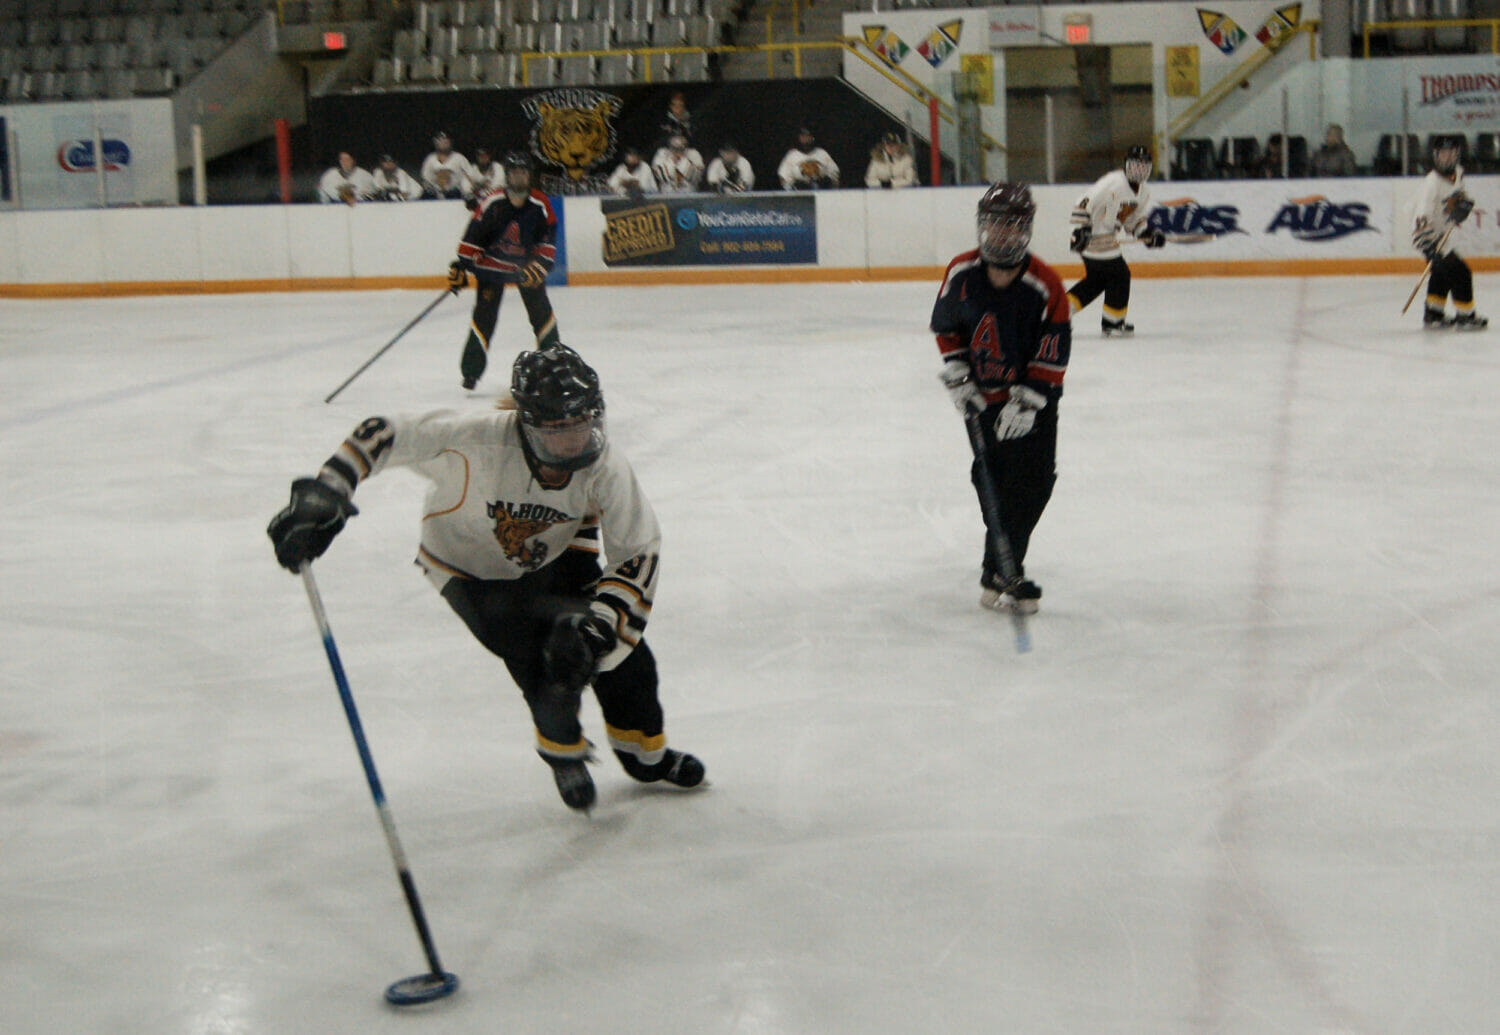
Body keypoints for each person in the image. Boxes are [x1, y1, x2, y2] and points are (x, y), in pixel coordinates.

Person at [266, 345, 706, 813]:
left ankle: (646, 758)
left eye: (582, 427)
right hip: (468, 570)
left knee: (624, 660)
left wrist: (600, 627)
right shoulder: (474, 438)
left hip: (553, 552)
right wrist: (330, 489)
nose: (574, 444)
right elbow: (385, 432)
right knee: (539, 666)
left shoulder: (603, 466)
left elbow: (637, 549)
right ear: (525, 423)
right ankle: (563, 753)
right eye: (557, 432)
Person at [930, 182, 1071, 615]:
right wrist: (957, 373)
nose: (1001, 234)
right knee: (990, 479)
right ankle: (1003, 569)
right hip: (984, 398)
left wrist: (1029, 401)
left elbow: (1054, 348)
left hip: (1033, 401)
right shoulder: (961, 272)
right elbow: (945, 327)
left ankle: (997, 567)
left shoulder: (1045, 285)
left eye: (1011, 225)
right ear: (982, 226)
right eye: (994, 223)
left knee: (1036, 483)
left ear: (1025, 230)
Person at [446, 151, 563, 390]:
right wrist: (461, 265)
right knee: (484, 316)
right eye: (514, 172)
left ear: (529, 175)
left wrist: (540, 265)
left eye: (523, 172)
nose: (519, 177)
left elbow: (548, 239)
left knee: (541, 312)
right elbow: (473, 236)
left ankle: (554, 366)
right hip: (492, 268)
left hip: (526, 268)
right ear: (507, 175)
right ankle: (471, 372)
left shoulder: (540, 203)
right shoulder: (492, 202)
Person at [1065, 145, 1166, 337]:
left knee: (1096, 282)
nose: (1139, 170)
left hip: (1107, 240)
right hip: (1092, 238)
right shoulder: (1113, 182)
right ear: (1126, 165)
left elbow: (1132, 221)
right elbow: (1083, 202)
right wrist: (1078, 230)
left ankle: (1059, 313)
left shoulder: (1143, 192)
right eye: (1135, 165)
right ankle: (1113, 322)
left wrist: (1148, 234)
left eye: (1144, 166)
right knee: (1119, 275)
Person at [1412, 139, 1486, 330]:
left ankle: (1433, 313)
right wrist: (1428, 246)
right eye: (1443, 153)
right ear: (1436, 156)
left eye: (1451, 153)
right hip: (1427, 235)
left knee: (1441, 272)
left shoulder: (1458, 173)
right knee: (1461, 272)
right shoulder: (1431, 183)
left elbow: (1458, 198)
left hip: (1442, 233)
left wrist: (1462, 207)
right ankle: (1466, 316)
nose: (1448, 157)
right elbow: (1420, 217)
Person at [420, 131, 474, 201]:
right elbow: (426, 179)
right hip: (435, 194)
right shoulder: (430, 159)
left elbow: (470, 176)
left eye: (446, 142)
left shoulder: (459, 158)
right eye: (440, 141)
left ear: (450, 143)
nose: (443, 144)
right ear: (436, 143)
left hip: (455, 193)